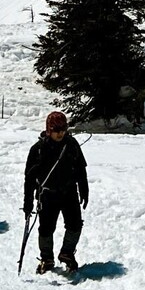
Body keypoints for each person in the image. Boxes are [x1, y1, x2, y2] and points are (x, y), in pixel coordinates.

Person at [23, 110, 88, 274]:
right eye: (56, 130)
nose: (60, 133)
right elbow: (29, 179)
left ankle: (67, 252)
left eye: (63, 129)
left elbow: (81, 169)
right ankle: (47, 258)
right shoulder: (37, 149)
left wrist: (84, 190)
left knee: (75, 225)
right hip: (47, 194)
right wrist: (28, 202)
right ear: (48, 130)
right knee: (46, 229)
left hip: (69, 192)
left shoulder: (71, 145)